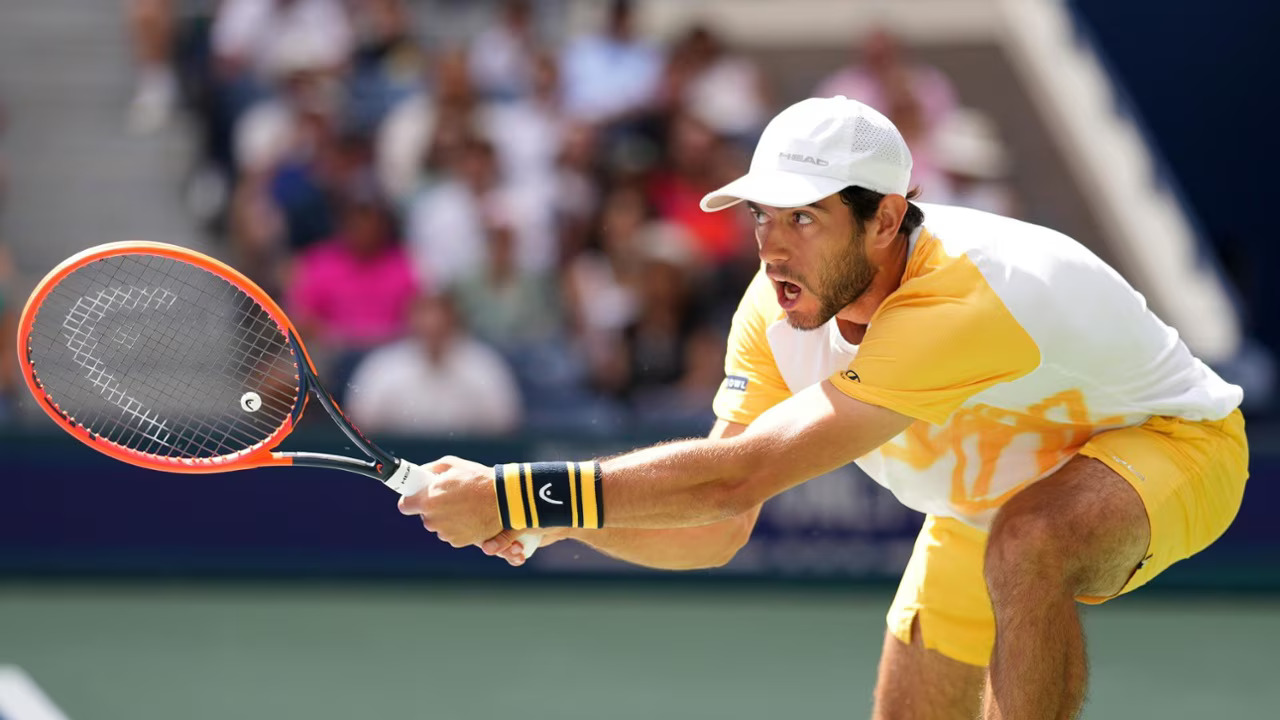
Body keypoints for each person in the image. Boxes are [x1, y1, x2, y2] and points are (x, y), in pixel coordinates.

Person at [398, 96, 1248, 719]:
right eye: (764, 216)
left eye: (803, 218)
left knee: (1029, 541)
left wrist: (515, 493)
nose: (770, 244)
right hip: (982, 501)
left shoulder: (963, 295)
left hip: (1173, 449)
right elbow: (714, 528)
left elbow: (737, 479)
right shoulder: (772, 309)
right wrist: (557, 522)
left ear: (884, 219)